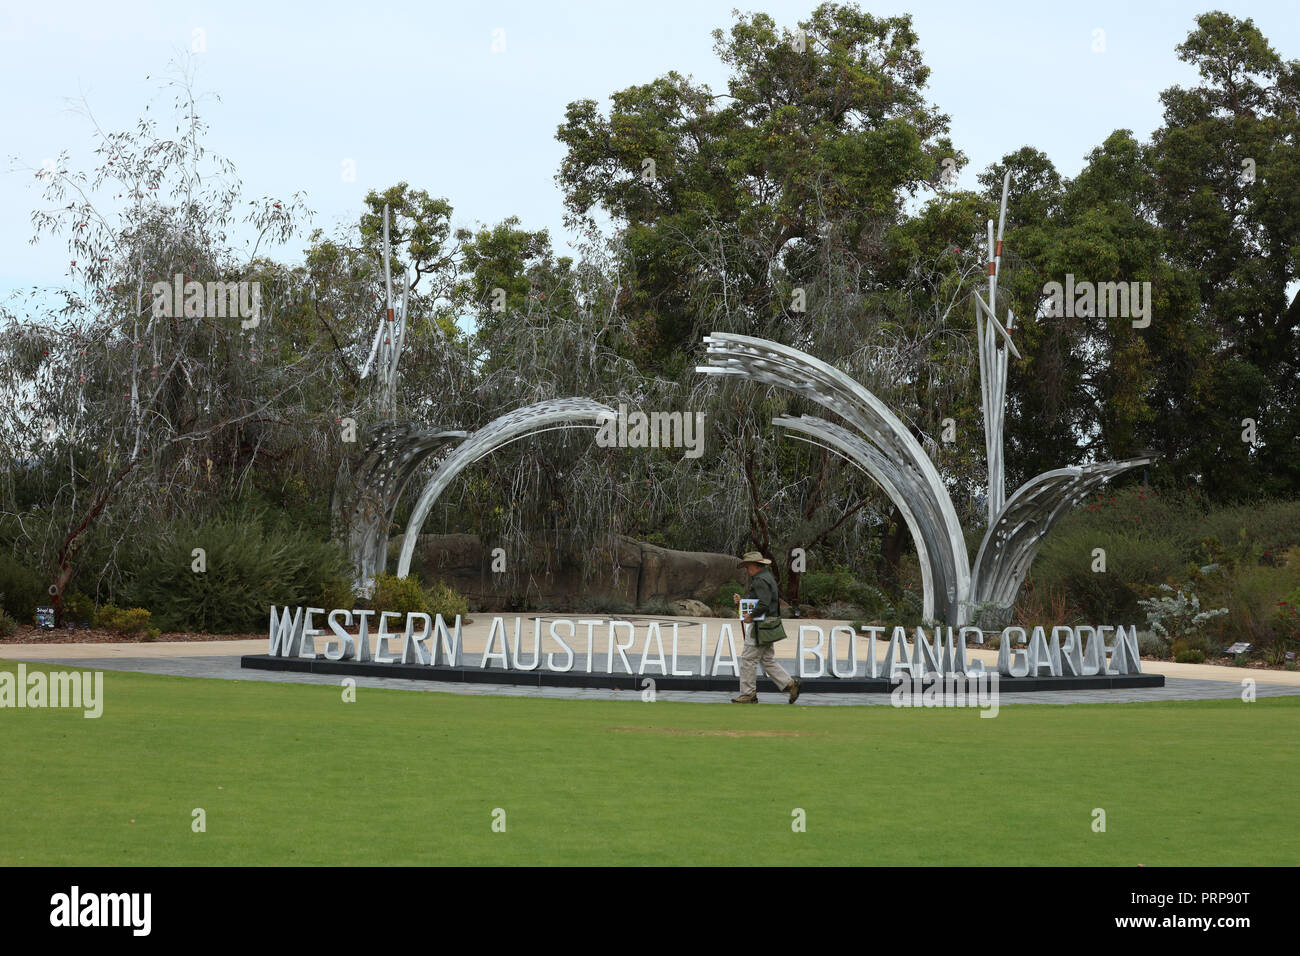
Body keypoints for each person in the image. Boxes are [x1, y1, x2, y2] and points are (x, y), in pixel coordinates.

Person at [731, 551, 800, 704]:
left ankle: (748, 694)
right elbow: (760, 601)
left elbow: (763, 603)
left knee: (748, 659)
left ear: (755, 566)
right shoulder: (766, 577)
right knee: (766, 659)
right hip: (769, 624)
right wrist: (741, 602)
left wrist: (750, 615)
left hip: (761, 626)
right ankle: (789, 684)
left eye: (748, 566)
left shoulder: (760, 580)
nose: (747, 569)